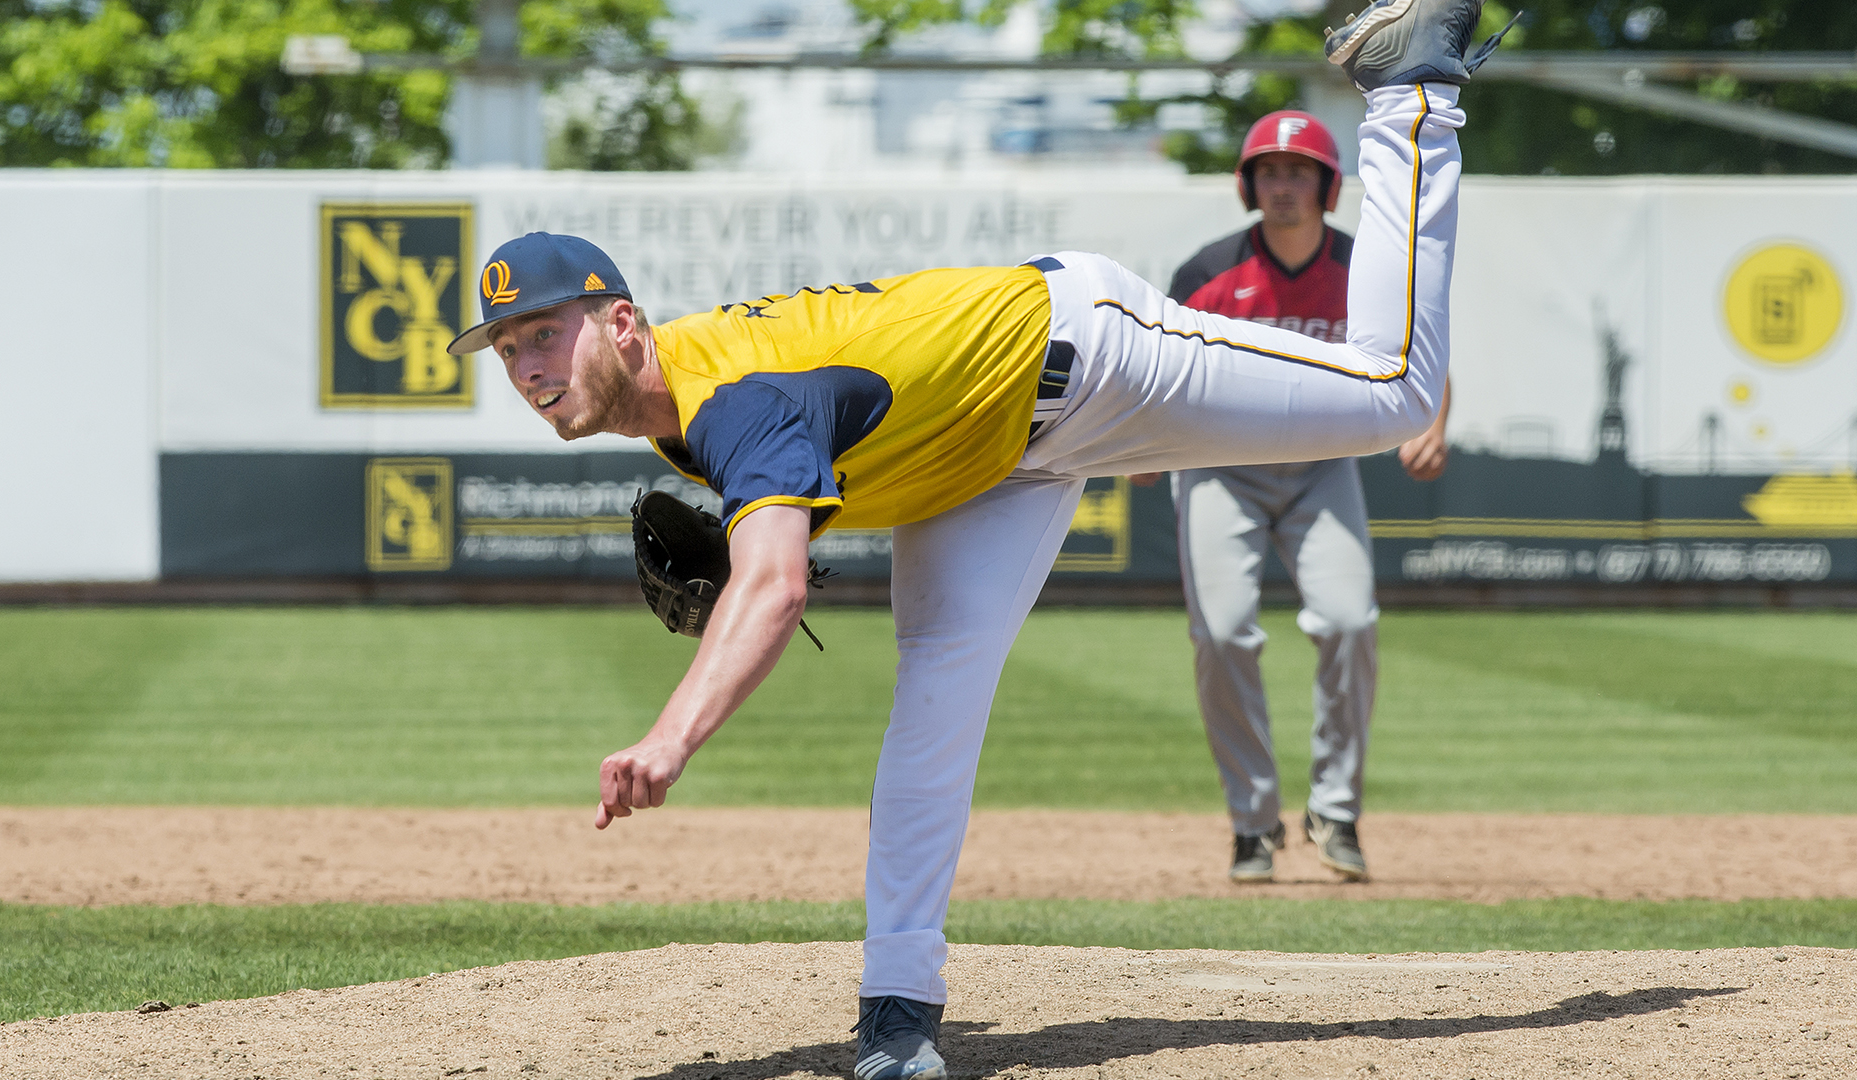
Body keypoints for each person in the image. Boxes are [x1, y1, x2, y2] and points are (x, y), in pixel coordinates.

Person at [443, 2, 1506, 1076]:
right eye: (509, 349)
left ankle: (1410, 87)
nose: (529, 365)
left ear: (622, 323)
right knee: (933, 705)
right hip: (987, 463)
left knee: (1393, 394)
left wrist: (670, 739)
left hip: (1086, 356)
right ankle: (897, 1015)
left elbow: (773, 591)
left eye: (546, 332)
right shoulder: (685, 409)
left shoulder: (733, 406)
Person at [1133, 108, 1453, 886]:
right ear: (1250, 183)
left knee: (1348, 621)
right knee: (1221, 633)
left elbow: (1422, 351)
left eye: (1298, 171)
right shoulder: (1208, 273)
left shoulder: (1360, 268)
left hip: (1320, 467)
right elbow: (1153, 366)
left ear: (1326, 185)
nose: (1283, 185)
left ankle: (1335, 812)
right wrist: (1140, 442)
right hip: (1220, 467)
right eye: (1270, 171)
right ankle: (1252, 824)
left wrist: (1435, 420)